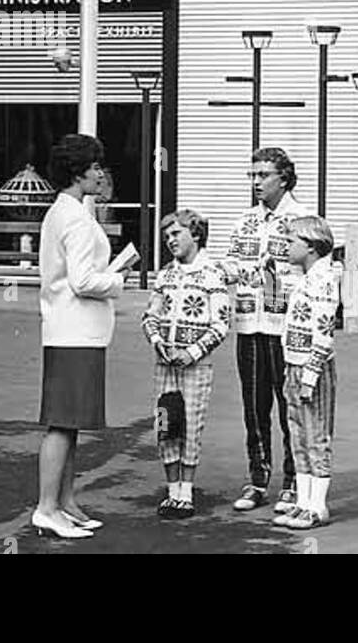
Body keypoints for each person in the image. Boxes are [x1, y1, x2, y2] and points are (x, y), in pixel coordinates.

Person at [32, 133, 130, 540]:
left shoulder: (67, 211)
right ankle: (46, 507)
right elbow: (83, 279)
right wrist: (118, 280)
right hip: (74, 330)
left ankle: (65, 502)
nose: (99, 173)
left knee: (70, 423)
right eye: (93, 167)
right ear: (76, 172)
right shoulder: (72, 217)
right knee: (61, 422)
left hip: (70, 328)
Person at [222, 146, 306, 514]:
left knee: (289, 406)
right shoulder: (244, 221)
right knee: (254, 408)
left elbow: (314, 273)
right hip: (249, 324)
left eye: (263, 175)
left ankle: (293, 480)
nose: (256, 182)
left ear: (283, 178)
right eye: (252, 175)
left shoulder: (303, 219)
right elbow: (232, 263)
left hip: (284, 327)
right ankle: (258, 479)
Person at [142, 209, 232, 518]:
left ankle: (186, 492)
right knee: (167, 422)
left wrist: (192, 352)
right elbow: (150, 315)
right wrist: (158, 342)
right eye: (166, 236)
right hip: (165, 364)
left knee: (191, 425)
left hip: (195, 365)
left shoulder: (211, 274)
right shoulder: (165, 274)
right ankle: (171, 491)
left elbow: (221, 324)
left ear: (195, 234)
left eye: (176, 234)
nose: (169, 240)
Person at [274, 215, 343, 531]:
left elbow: (325, 332)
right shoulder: (306, 277)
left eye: (292, 241)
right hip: (294, 364)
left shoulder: (325, 280)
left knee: (316, 435)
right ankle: (303, 502)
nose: (286, 246)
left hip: (311, 369)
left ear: (312, 247)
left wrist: (311, 374)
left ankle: (318, 505)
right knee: (298, 434)